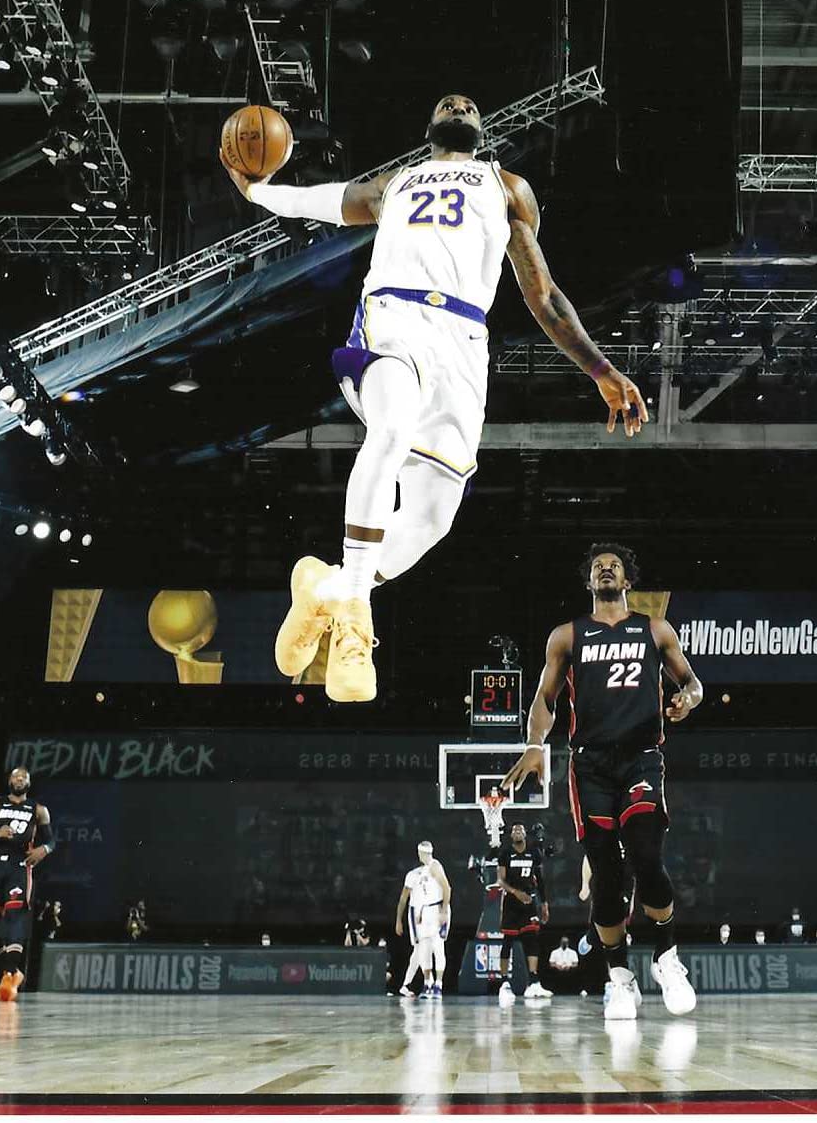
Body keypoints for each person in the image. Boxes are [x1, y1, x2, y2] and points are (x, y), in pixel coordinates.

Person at [232, 94, 649, 703]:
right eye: (448, 103)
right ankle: (353, 615)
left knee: (432, 517)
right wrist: (258, 194)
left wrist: (600, 369)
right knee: (392, 428)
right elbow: (322, 201)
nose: (459, 104)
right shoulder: (396, 184)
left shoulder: (506, 188)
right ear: (430, 128)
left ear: (480, 131)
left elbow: (544, 295)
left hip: (462, 346)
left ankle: (324, 590)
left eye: (469, 104)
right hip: (393, 319)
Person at [503, 545, 705, 1021]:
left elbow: (692, 683)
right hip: (590, 764)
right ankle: (619, 976)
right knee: (607, 879)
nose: (606, 568)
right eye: (598, 566)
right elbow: (544, 698)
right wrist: (535, 745)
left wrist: (689, 700)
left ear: (627, 579)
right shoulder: (567, 636)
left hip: (640, 759)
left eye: (613, 564)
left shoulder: (654, 629)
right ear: (589, 581)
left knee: (646, 855)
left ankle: (666, 956)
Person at [0, 767, 53, 1001]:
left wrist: (45, 849)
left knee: (15, 917)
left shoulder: (38, 809)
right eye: (16, 777)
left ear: (29, 783)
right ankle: (13, 972)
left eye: (24, 777)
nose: (19, 780)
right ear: (9, 780)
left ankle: (9, 977)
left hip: (20, 866)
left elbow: (51, 841)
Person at [496, 820, 552, 1004]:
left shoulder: (534, 852)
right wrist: (515, 893)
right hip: (512, 902)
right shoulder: (505, 853)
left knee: (531, 940)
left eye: (520, 829)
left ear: (525, 833)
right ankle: (504, 983)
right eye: (515, 830)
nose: (518, 831)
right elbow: (501, 881)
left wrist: (544, 903)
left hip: (529, 902)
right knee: (508, 941)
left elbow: (540, 879)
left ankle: (534, 982)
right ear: (512, 835)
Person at [396, 839, 452, 1000]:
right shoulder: (418, 873)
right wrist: (420, 911)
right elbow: (416, 897)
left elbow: (447, 888)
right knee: (424, 949)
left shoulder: (435, 865)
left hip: (437, 908)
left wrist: (443, 911)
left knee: (437, 946)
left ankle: (438, 985)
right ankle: (428, 983)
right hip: (424, 911)